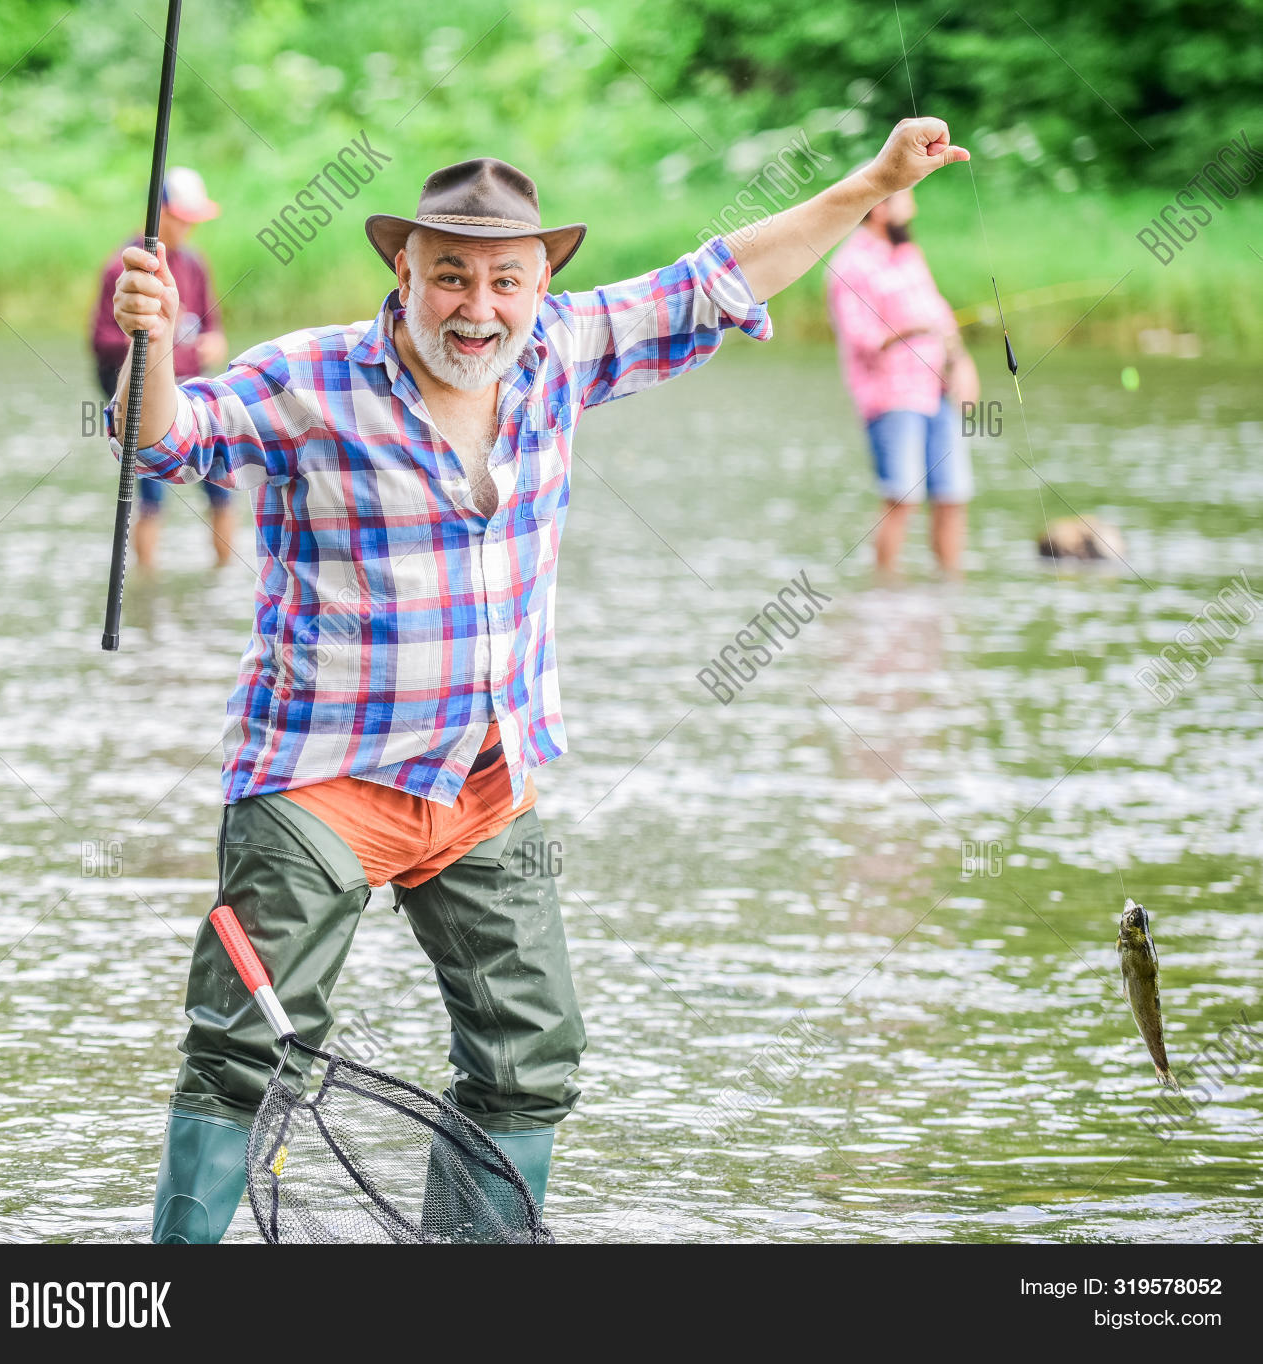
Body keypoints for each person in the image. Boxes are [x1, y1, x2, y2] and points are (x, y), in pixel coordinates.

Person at [107, 119, 969, 1243]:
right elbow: (167, 441)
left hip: (479, 785)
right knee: (243, 1058)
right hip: (318, 785)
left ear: (539, 282)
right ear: (401, 270)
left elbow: (717, 279)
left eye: (505, 279)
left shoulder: (560, 351)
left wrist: (872, 182)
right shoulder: (311, 377)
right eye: (450, 274)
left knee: (529, 1058)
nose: (478, 306)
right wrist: (154, 344)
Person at [827, 184, 978, 577]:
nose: (912, 209)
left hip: (937, 391)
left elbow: (941, 316)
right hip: (891, 398)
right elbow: (862, 341)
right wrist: (909, 330)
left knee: (952, 495)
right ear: (879, 208)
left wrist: (962, 363)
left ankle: (950, 589)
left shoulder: (909, 255)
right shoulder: (850, 266)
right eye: (905, 200)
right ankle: (885, 592)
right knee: (902, 499)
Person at [92, 165, 235, 568]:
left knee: (221, 484)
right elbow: (101, 343)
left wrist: (211, 342)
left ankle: (222, 573)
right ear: (160, 213)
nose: (188, 231)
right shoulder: (122, 269)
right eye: (182, 220)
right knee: (151, 491)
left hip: (193, 389)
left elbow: (214, 327)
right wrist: (150, 344)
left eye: (194, 222)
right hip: (144, 392)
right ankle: (146, 578)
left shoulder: (195, 264)